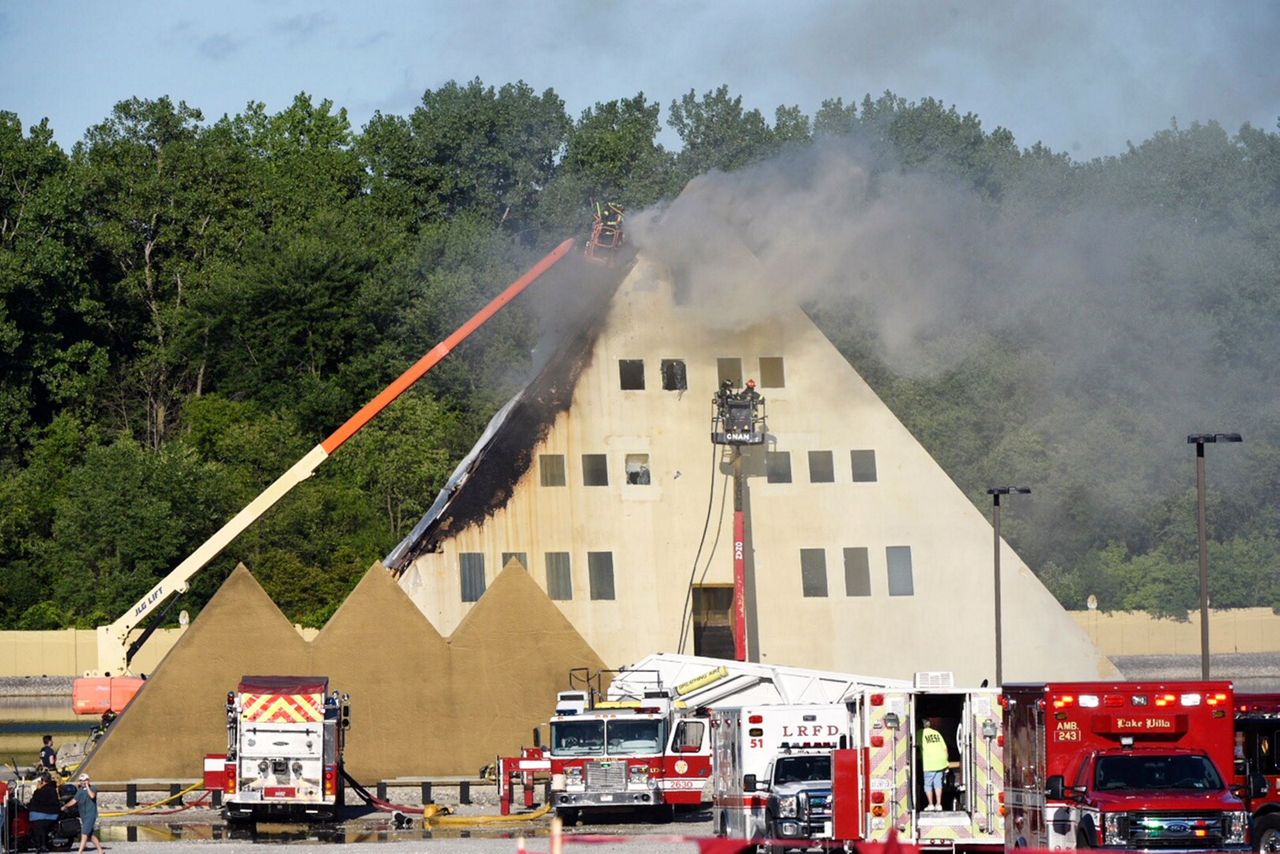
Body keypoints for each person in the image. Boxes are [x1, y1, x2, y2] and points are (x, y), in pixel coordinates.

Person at [62, 773, 103, 854]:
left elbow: (92, 796)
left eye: (84, 780)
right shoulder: (80, 791)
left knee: (84, 833)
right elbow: (74, 800)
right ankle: (100, 851)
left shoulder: (93, 788)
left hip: (91, 814)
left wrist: (87, 786)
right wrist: (65, 806)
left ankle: (80, 852)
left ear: (88, 780)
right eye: (81, 781)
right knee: (90, 834)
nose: (82, 782)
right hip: (83, 815)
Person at [27, 773, 62, 853]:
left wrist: (37, 789)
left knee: (38, 826)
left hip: (46, 814)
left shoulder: (42, 791)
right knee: (39, 825)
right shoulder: (52, 789)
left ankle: (42, 845)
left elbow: (35, 800)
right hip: (52, 813)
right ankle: (42, 845)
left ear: (42, 781)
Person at [920, 717, 949, 812]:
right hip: (941, 762)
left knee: (928, 785)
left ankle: (931, 804)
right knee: (938, 784)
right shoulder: (936, 733)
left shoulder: (920, 733)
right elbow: (945, 748)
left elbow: (914, 746)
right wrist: (946, 762)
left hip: (929, 762)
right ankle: (939, 804)